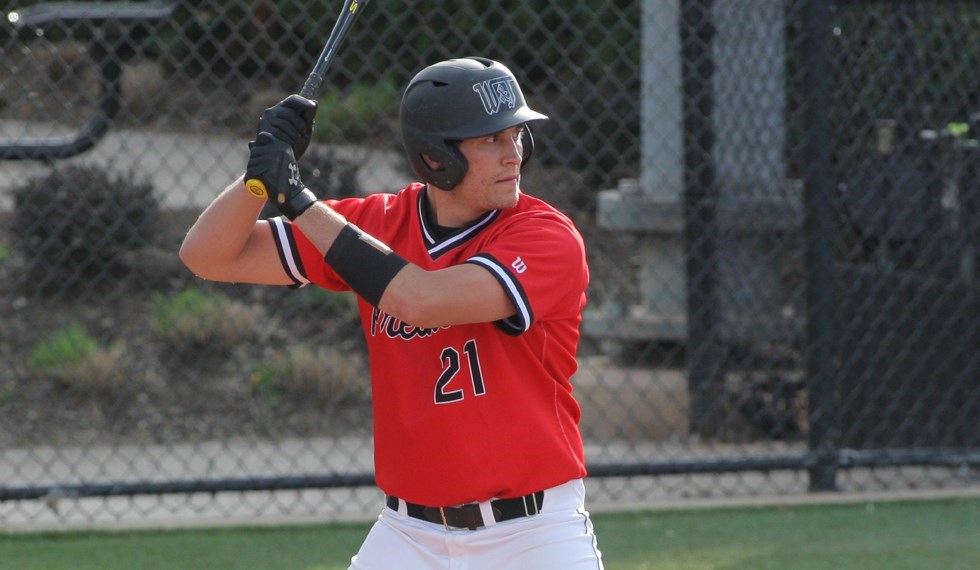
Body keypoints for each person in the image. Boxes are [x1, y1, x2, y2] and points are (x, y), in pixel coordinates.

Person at [180, 56, 603, 570]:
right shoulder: (374, 225)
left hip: (532, 536)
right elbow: (207, 255)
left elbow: (418, 299)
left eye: (516, 135)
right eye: (491, 139)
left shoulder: (546, 237)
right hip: (409, 535)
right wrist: (259, 179)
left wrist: (297, 197)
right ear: (435, 158)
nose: (514, 153)